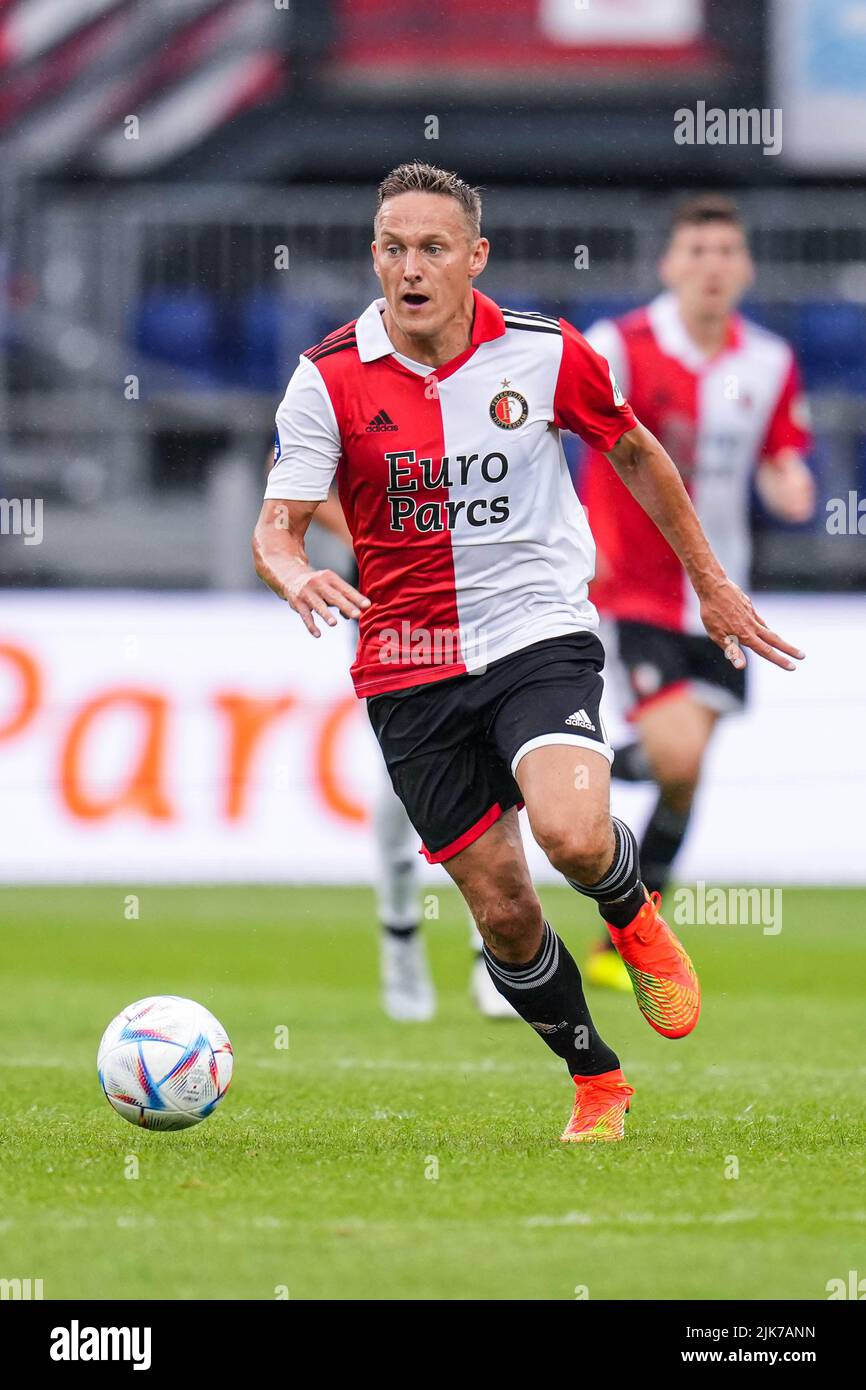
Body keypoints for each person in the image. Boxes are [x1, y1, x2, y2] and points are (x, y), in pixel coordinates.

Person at [253, 162, 804, 1143]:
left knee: (574, 834)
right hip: (406, 659)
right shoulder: (325, 376)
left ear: (475, 257)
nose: (409, 268)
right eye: (392, 247)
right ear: (374, 256)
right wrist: (292, 571)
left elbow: (633, 449)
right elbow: (276, 524)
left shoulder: (545, 354)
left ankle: (631, 917)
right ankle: (596, 1080)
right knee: (502, 909)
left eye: (432, 248)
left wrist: (711, 582)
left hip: (534, 630)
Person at [580, 194, 815, 989]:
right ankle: (549, 778)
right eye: (698, 250)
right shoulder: (620, 346)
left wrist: (791, 481)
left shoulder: (770, 362)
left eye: (727, 251)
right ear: (670, 265)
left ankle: (621, 945)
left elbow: (782, 450)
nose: (713, 265)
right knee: (678, 750)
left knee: (683, 770)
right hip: (636, 586)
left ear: (745, 268)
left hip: (724, 595)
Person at [309, 486, 516, 1022]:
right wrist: (377, 535)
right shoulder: (341, 398)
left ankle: (494, 958)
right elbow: (286, 475)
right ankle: (399, 932)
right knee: (401, 779)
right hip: (393, 601)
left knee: (494, 767)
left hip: (487, 595)